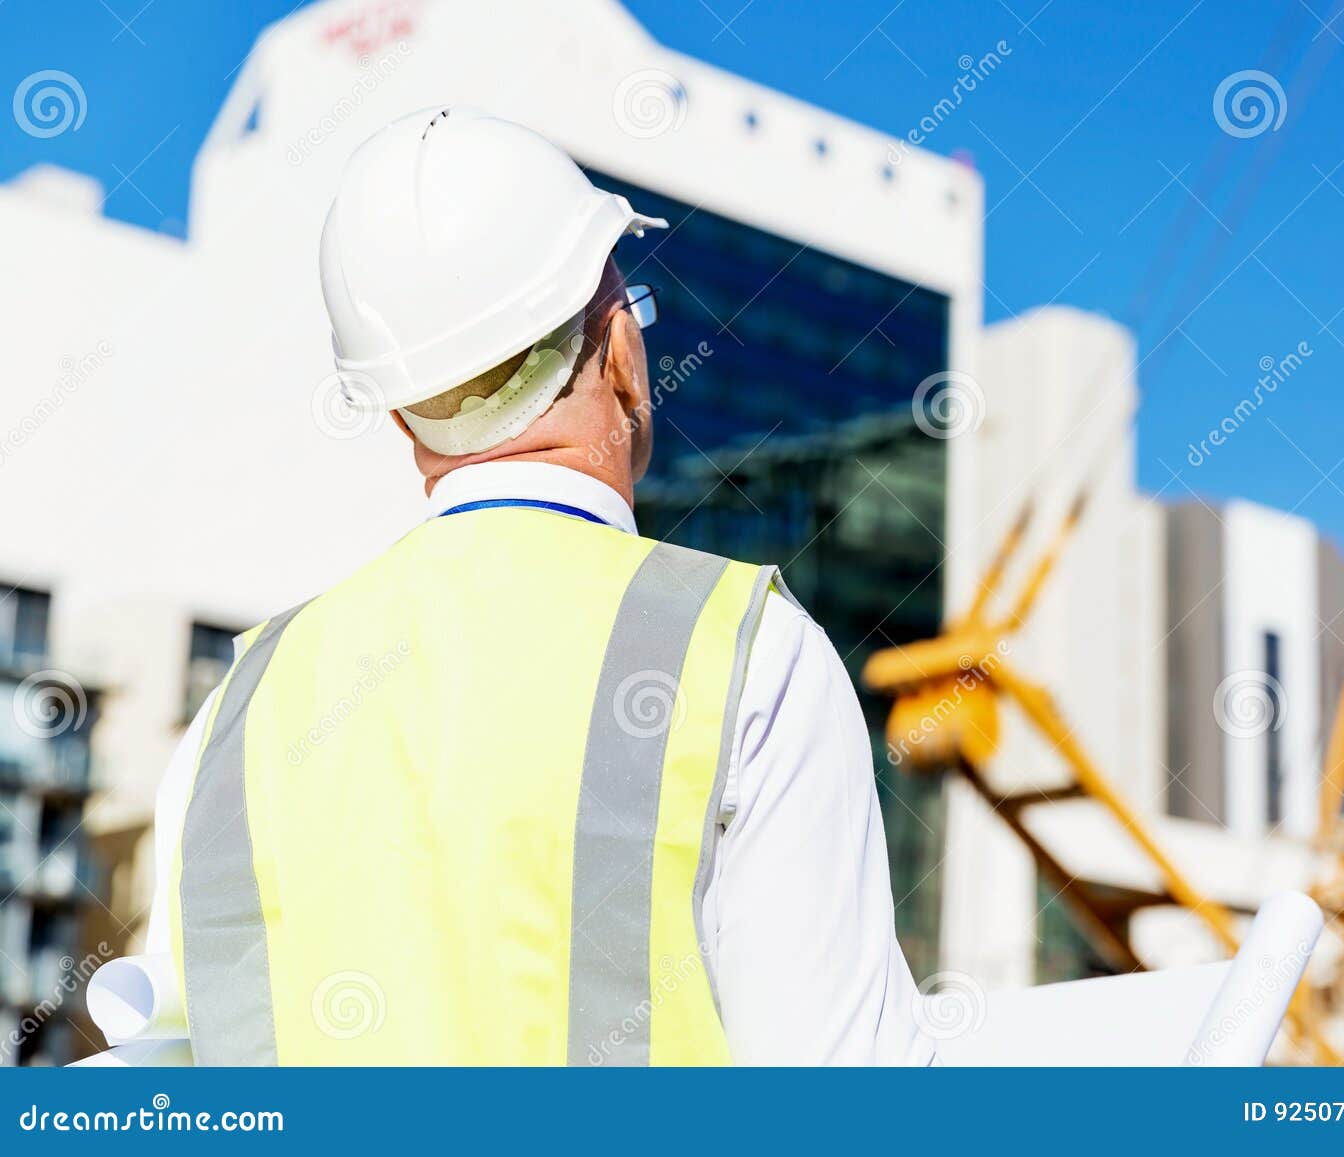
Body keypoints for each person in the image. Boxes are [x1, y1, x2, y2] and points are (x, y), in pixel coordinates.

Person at [143, 107, 936, 1066]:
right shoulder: (744, 653)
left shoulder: (239, 706)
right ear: (623, 355)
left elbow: (168, 1078)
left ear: (403, 420)